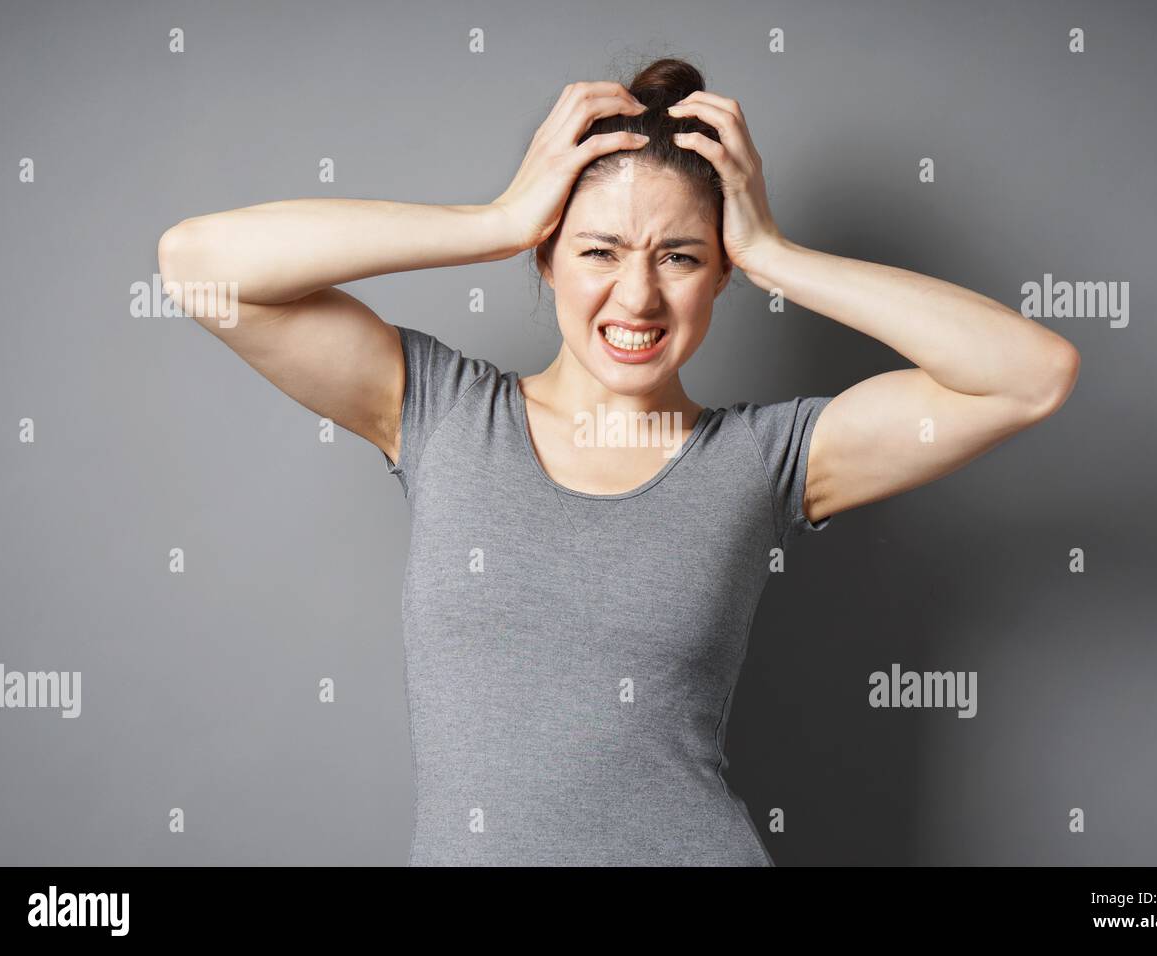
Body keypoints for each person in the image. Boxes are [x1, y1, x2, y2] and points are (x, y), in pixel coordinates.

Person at [156, 57, 1079, 866]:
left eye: (680, 255)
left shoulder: (769, 459)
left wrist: (776, 252)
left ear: (720, 274)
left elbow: (1030, 376)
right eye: (598, 249)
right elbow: (197, 261)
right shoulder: (440, 414)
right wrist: (497, 218)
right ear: (546, 259)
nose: (636, 294)